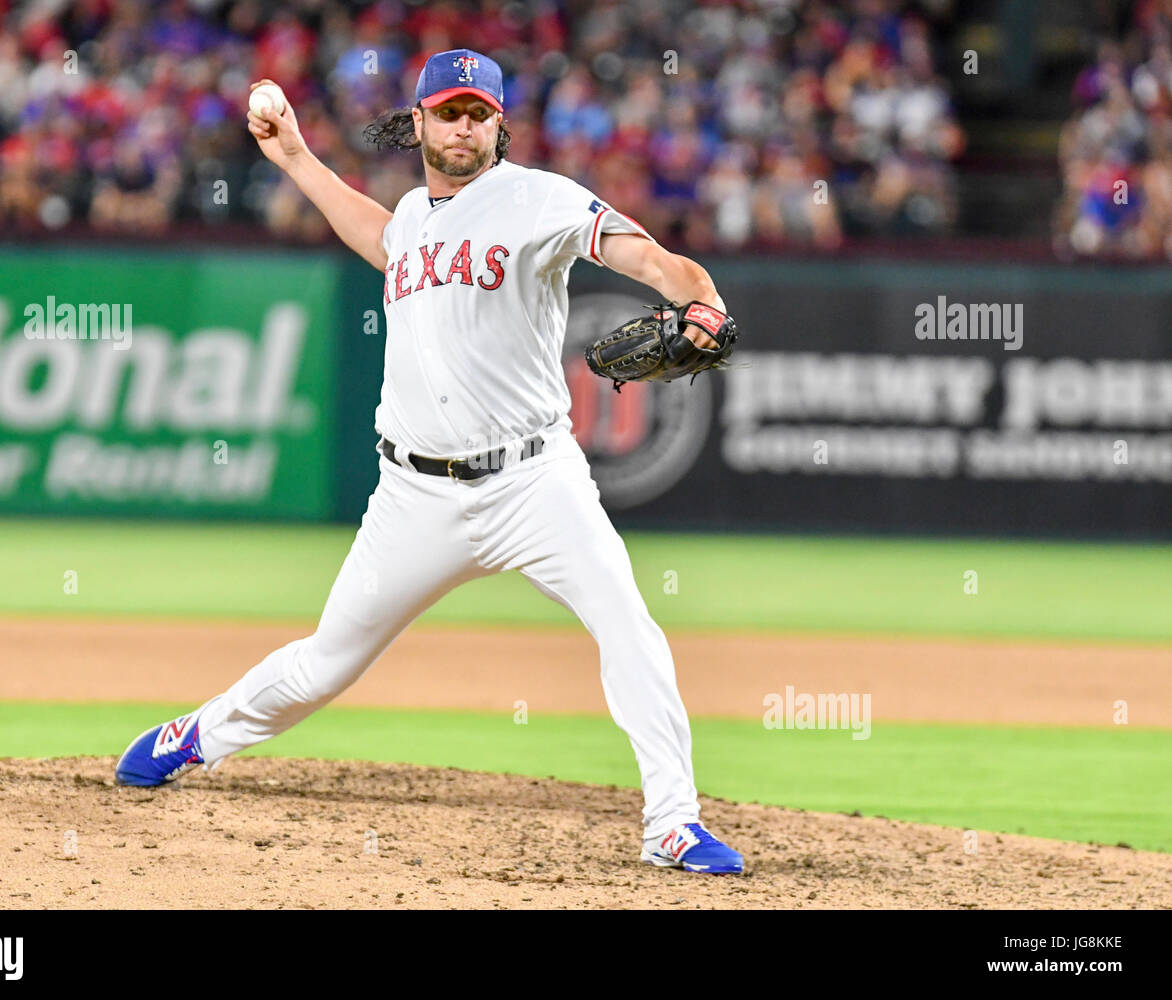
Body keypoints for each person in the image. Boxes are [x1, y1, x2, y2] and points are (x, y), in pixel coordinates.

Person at [115, 49, 744, 875]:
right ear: (417, 122)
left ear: (499, 125)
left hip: (533, 481)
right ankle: (195, 735)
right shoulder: (412, 218)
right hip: (415, 494)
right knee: (325, 663)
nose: (463, 126)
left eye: (478, 112)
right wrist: (297, 157)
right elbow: (379, 235)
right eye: (447, 111)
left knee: (628, 625)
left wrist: (699, 295)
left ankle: (671, 823)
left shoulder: (539, 198)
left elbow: (649, 258)